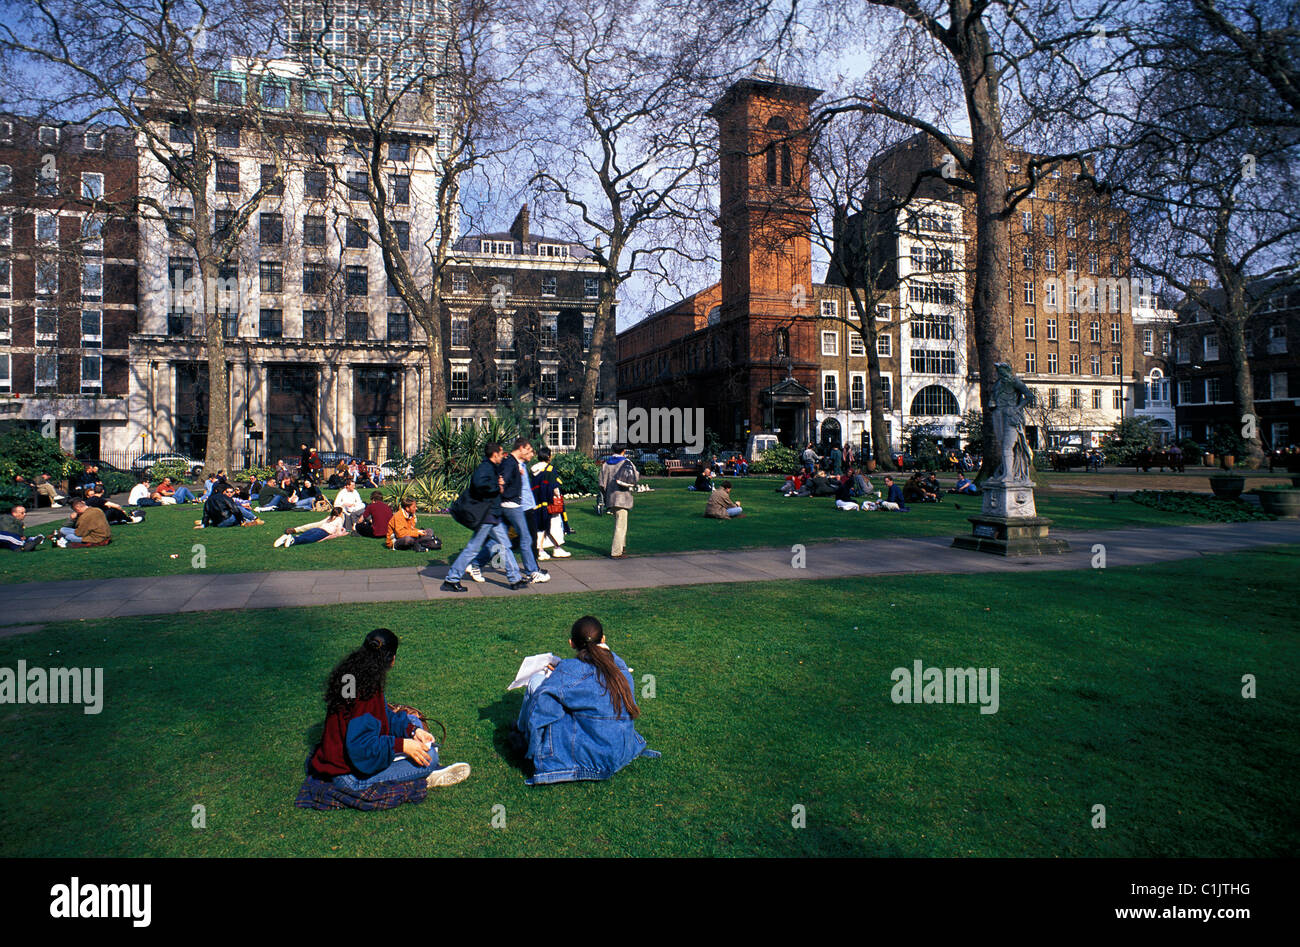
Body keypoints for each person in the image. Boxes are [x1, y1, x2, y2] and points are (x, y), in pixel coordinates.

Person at [306, 629, 471, 796]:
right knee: (430, 759)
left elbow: (383, 716)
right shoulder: (366, 693)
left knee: (413, 721)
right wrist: (402, 745)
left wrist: (412, 731)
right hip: (350, 777)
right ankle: (427, 774)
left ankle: (421, 765)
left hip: (338, 759)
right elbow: (360, 748)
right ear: (392, 659)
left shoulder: (354, 675)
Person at [514, 616, 659, 786]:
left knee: (537, 682)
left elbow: (544, 711)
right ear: (603, 639)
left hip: (590, 757)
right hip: (620, 750)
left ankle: (519, 731)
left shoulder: (570, 670)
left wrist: (533, 751)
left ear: (571, 643)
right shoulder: (619, 665)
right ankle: (520, 730)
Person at [443, 443, 525, 591]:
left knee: (505, 545)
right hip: (487, 516)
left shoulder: (491, 467)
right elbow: (479, 483)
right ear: (494, 454)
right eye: (501, 454)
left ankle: (515, 578)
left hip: (492, 514)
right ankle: (452, 578)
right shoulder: (485, 467)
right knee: (474, 548)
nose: (502, 456)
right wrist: (497, 486)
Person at [493, 438, 548, 584]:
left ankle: (476, 563)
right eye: (528, 450)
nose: (530, 454)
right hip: (516, 506)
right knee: (527, 538)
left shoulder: (518, 464)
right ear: (521, 448)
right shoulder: (511, 463)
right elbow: (501, 482)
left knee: (501, 538)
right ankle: (532, 571)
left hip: (519, 505)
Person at [529, 446, 571, 561]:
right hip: (550, 503)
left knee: (541, 527)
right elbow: (554, 487)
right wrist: (558, 497)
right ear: (548, 456)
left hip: (537, 502)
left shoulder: (533, 470)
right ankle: (555, 549)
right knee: (554, 526)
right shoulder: (550, 469)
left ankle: (542, 550)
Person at [599, 447, 639, 559]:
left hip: (611, 497)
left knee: (620, 524)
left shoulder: (606, 464)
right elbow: (635, 478)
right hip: (623, 498)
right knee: (620, 526)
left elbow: (601, 483)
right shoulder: (627, 462)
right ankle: (616, 552)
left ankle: (622, 547)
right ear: (624, 451)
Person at [275, 507, 347, 547]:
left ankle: (286, 538)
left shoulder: (329, 517)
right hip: (324, 532)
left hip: (317, 529)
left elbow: (317, 523)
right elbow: (338, 533)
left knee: (303, 535)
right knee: (308, 539)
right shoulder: (339, 519)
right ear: (340, 513)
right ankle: (293, 540)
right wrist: (344, 533)